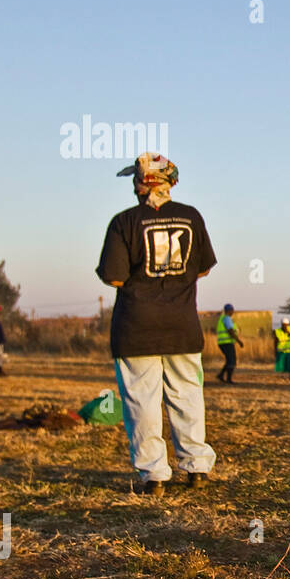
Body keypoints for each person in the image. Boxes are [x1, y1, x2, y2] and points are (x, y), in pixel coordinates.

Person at [95, 152, 218, 497]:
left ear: (143, 183)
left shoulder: (123, 222)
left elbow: (114, 279)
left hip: (136, 328)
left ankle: (155, 475)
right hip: (182, 326)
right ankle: (196, 467)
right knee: (188, 397)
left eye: (135, 179)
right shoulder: (192, 217)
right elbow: (204, 268)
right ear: (170, 183)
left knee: (141, 402)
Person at [215, 303, 243, 383]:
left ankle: (221, 375)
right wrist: (239, 341)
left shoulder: (223, 318)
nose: (233, 311)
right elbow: (230, 331)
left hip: (223, 343)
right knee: (232, 361)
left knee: (229, 360)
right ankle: (229, 379)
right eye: (232, 310)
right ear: (229, 310)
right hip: (226, 343)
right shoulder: (227, 318)